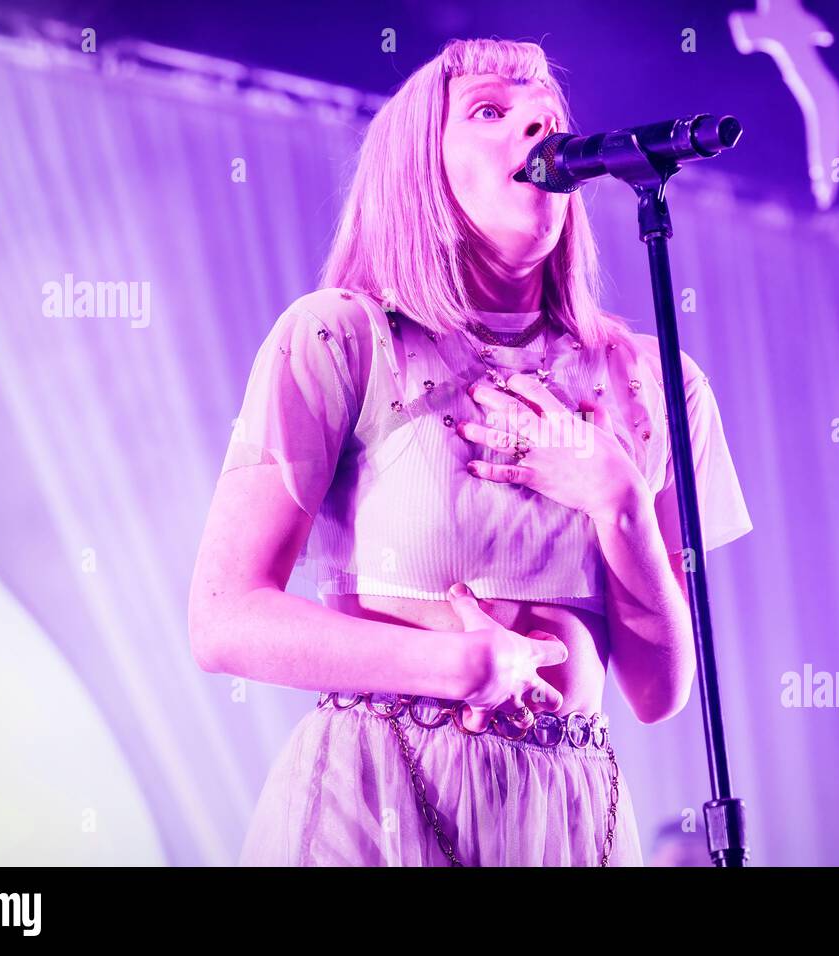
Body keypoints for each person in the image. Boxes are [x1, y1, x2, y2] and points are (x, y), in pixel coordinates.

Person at [188, 37, 753, 867]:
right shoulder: (343, 336)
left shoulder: (653, 383)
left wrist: (621, 502)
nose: (535, 123)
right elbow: (223, 618)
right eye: (490, 111)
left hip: (567, 810)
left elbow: (661, 694)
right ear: (419, 168)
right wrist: (452, 664)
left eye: (548, 118)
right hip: (381, 790)